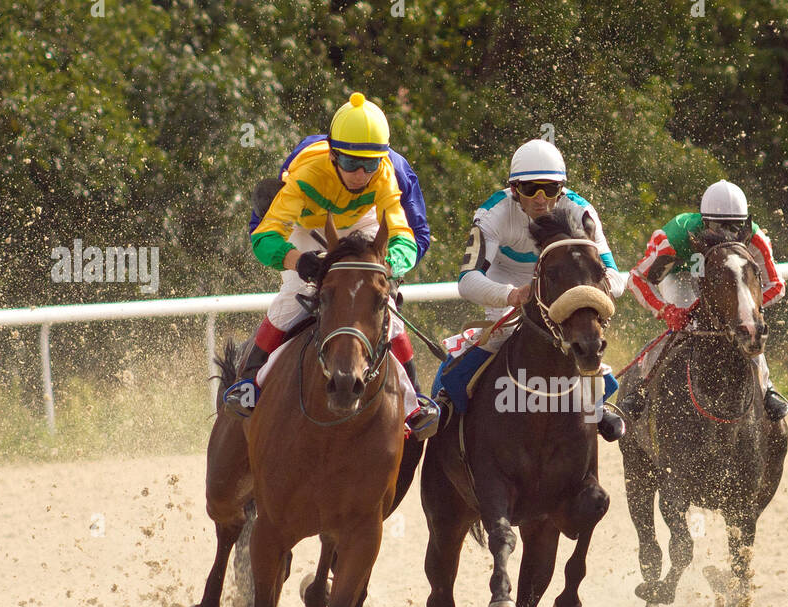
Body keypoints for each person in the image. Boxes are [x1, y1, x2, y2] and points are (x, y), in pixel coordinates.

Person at [223, 92, 439, 437]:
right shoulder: (308, 171)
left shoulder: (384, 173)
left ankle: (414, 401)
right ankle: (249, 382)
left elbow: (404, 235)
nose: (361, 174)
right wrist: (299, 260)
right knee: (294, 292)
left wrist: (388, 269)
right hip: (307, 225)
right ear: (333, 155)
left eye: (370, 164)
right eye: (352, 163)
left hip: (360, 223)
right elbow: (264, 238)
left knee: (383, 305)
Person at [434, 138, 628, 441]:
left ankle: (597, 406)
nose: (540, 199)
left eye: (549, 189)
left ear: (561, 190)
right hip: (507, 286)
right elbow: (468, 281)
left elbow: (615, 278)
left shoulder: (582, 212)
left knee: (584, 337)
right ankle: (445, 404)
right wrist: (512, 295)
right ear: (514, 190)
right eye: (530, 189)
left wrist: (585, 294)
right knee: (496, 337)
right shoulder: (491, 215)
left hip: (562, 291)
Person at [619, 180, 788, 421]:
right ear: (704, 221)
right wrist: (666, 310)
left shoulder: (755, 236)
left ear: (745, 223)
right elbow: (637, 279)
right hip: (681, 279)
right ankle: (643, 389)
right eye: (719, 226)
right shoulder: (676, 236)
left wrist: (746, 306)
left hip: (728, 286)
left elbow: (776, 285)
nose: (727, 235)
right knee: (686, 328)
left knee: (749, 327)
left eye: (735, 227)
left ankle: (766, 387)